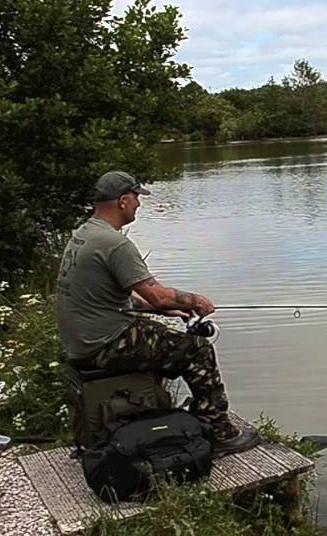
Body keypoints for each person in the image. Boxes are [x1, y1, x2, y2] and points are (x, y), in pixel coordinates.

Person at [56, 170, 260, 456]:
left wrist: (163, 309)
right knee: (197, 350)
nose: (139, 203)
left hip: (84, 339)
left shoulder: (84, 234)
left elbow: (113, 299)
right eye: (137, 198)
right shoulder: (114, 244)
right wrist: (196, 300)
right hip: (103, 342)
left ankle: (166, 418)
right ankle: (220, 432)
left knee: (164, 338)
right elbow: (158, 293)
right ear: (123, 201)